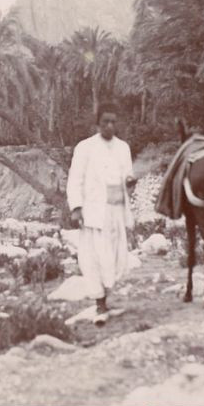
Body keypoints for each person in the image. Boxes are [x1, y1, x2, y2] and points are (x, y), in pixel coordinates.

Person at [67, 102, 138, 321]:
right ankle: (99, 303)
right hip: (95, 212)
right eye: (105, 122)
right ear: (97, 124)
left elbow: (127, 176)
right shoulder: (85, 147)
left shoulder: (123, 147)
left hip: (117, 211)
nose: (109, 126)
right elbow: (75, 179)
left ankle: (106, 299)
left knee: (116, 259)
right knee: (96, 258)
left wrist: (130, 181)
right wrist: (76, 209)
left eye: (113, 122)